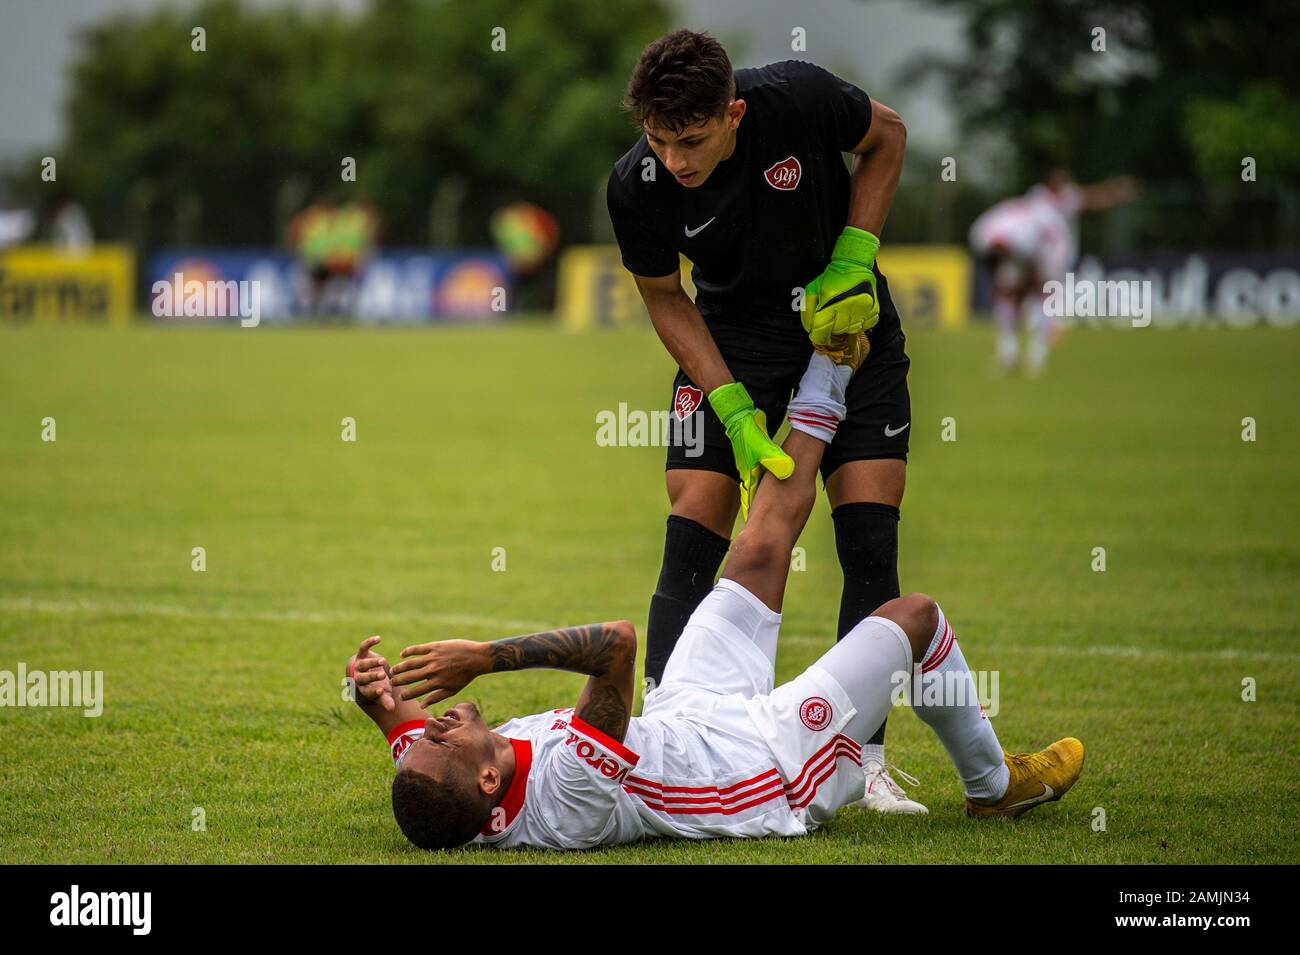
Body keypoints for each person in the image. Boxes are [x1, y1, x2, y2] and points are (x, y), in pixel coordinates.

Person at [346, 339, 1085, 850]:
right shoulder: (567, 797)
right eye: (444, 734)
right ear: (486, 777)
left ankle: (832, 358)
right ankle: (996, 783)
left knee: (760, 546)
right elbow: (616, 642)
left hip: (688, 718)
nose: (434, 724)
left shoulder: (453, 787)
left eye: (428, 731)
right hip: (764, 768)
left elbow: (408, 738)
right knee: (914, 618)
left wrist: (372, 690)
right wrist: (484, 656)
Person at [606, 29, 919, 812]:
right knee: (694, 516)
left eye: (692, 140)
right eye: (658, 138)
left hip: (845, 315)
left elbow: (888, 137)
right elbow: (664, 297)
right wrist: (732, 405)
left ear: (735, 114)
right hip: (731, 337)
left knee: (869, 532)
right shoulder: (636, 184)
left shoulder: (799, 98)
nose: (674, 160)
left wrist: (854, 254)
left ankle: (865, 761)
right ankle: (661, 732)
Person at [969, 169, 1138, 375]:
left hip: (1048, 257)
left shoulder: (1018, 230)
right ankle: (1014, 355)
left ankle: (1033, 357)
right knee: (1013, 298)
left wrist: (1115, 192)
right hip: (1035, 253)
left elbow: (1089, 199)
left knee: (1033, 299)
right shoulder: (994, 230)